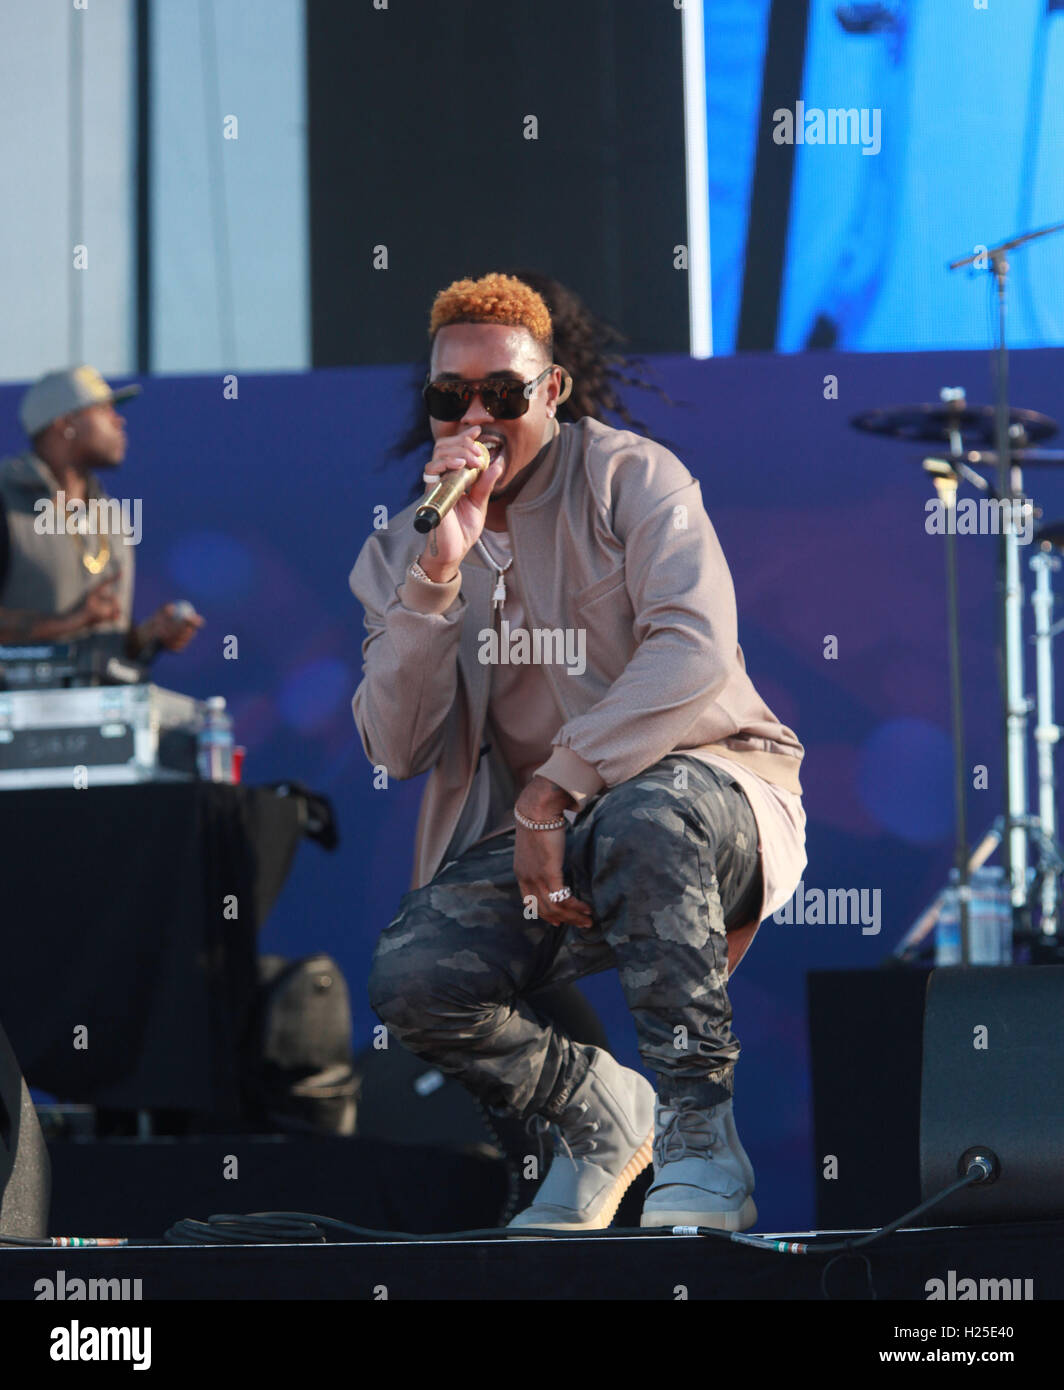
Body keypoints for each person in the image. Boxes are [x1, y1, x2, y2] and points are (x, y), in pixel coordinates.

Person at [349, 272, 807, 1232]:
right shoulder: (408, 550)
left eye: (502, 394)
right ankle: (598, 1115)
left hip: (712, 795)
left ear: (551, 393)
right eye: (451, 396)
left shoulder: (630, 477)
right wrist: (437, 579)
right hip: (549, 847)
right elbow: (395, 743)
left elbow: (693, 643)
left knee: (647, 814)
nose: (475, 416)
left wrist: (556, 785)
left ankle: (697, 1135)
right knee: (414, 972)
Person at [0, 365, 204, 659]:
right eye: (104, 410)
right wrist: (69, 623)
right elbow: (76, 625)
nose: (119, 420)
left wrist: (150, 634)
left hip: (99, 705)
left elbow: (105, 654)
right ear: (65, 423)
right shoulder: (7, 501)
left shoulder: (111, 516)